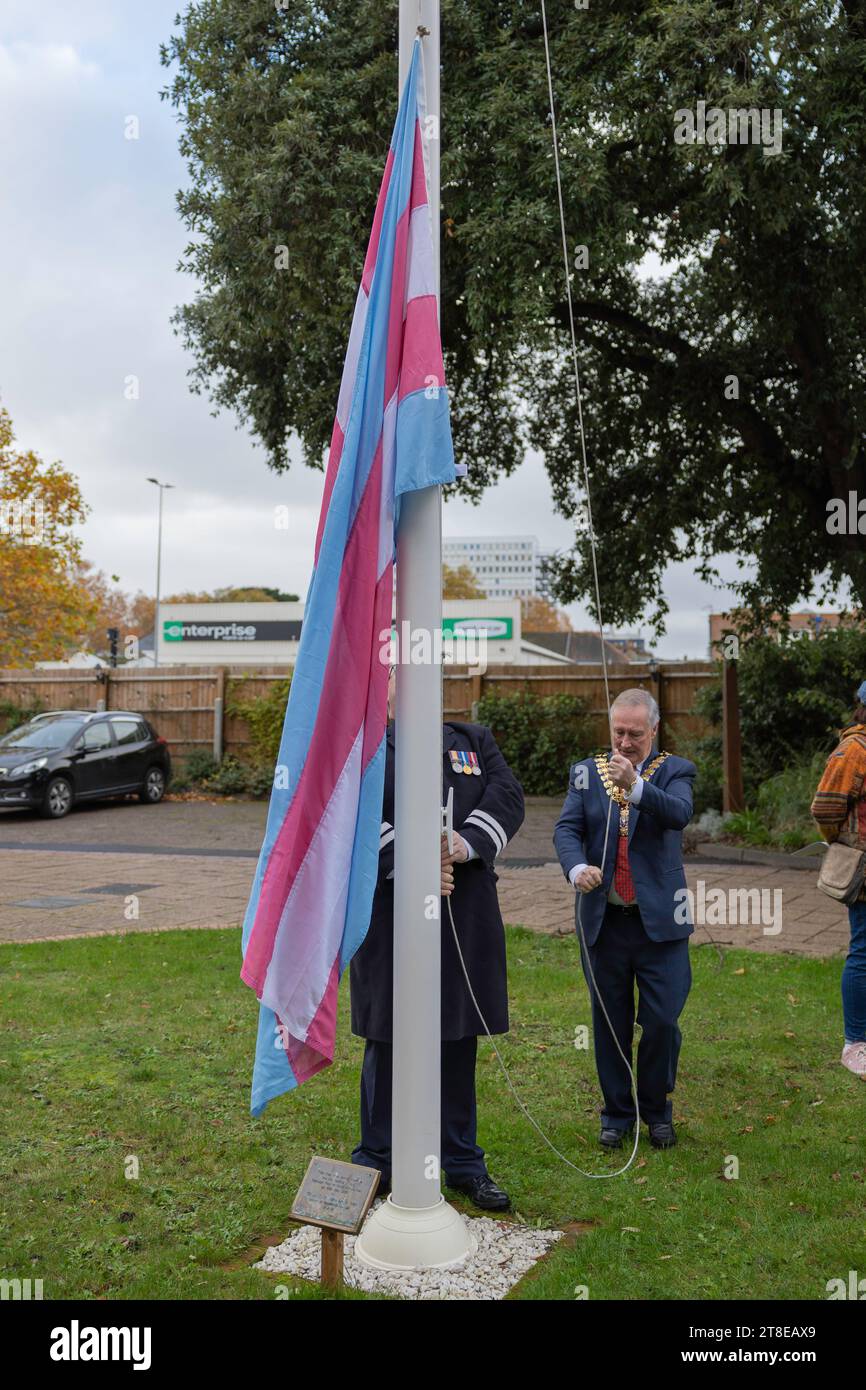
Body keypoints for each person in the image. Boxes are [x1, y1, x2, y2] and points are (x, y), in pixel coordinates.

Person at [349, 665, 525, 1210]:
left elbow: (508, 798)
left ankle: (461, 1161)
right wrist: (417, 860)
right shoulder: (369, 747)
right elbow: (358, 811)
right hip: (390, 911)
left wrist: (460, 846)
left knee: (456, 1034)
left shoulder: (473, 740)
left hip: (462, 909)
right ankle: (376, 1161)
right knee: (388, 1034)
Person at [553, 689, 696, 1150]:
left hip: (661, 923)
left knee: (662, 1021)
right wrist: (577, 869)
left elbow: (679, 814)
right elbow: (567, 829)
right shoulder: (584, 773)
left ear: (654, 730)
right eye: (619, 732)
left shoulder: (676, 770)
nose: (626, 741)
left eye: (636, 733)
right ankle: (616, 1113)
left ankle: (656, 1109)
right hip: (604, 921)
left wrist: (635, 785)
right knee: (610, 1020)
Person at [810, 680, 866, 1078]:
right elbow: (825, 808)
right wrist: (846, 845)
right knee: (864, 953)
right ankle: (856, 1043)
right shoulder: (854, 750)